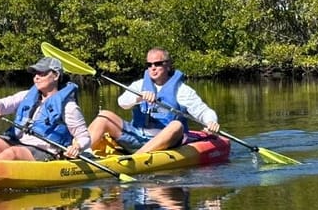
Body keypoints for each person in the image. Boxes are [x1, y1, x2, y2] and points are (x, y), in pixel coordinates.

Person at [88, 47, 220, 155]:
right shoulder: (139, 85)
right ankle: (83, 153)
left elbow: (204, 112)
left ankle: (138, 158)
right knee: (104, 116)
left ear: (168, 65)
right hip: (137, 136)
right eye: (149, 65)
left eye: (157, 64)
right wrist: (139, 97)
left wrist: (211, 122)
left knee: (177, 125)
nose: (153, 68)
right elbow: (122, 103)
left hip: (166, 141)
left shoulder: (182, 90)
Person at [0, 57, 92, 160]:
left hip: (44, 152)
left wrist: (77, 146)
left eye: (42, 73)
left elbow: (84, 137)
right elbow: (5, 103)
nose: (36, 77)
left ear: (56, 76)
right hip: (16, 141)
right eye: (35, 74)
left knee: (13, 153)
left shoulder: (69, 107)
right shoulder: (26, 96)